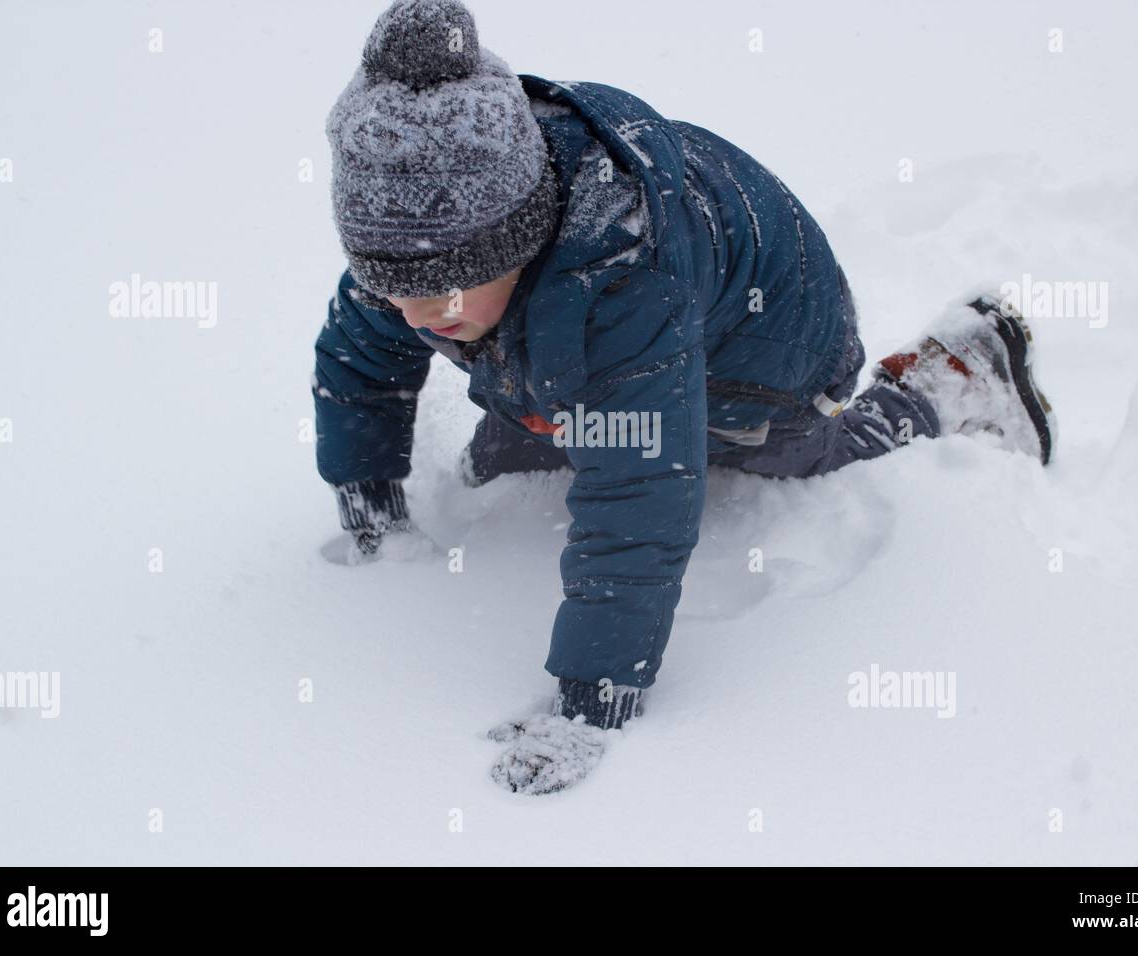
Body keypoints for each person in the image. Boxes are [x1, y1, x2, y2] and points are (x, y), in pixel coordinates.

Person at [313, 0, 1057, 794]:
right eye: (399, 292)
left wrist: (591, 701)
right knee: (507, 455)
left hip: (772, 356)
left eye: (450, 293)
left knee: (789, 453)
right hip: (613, 338)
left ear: (521, 242)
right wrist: (368, 501)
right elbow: (361, 358)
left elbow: (639, 497)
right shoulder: (421, 249)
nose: (427, 315)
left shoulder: (621, 282)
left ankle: (943, 383)